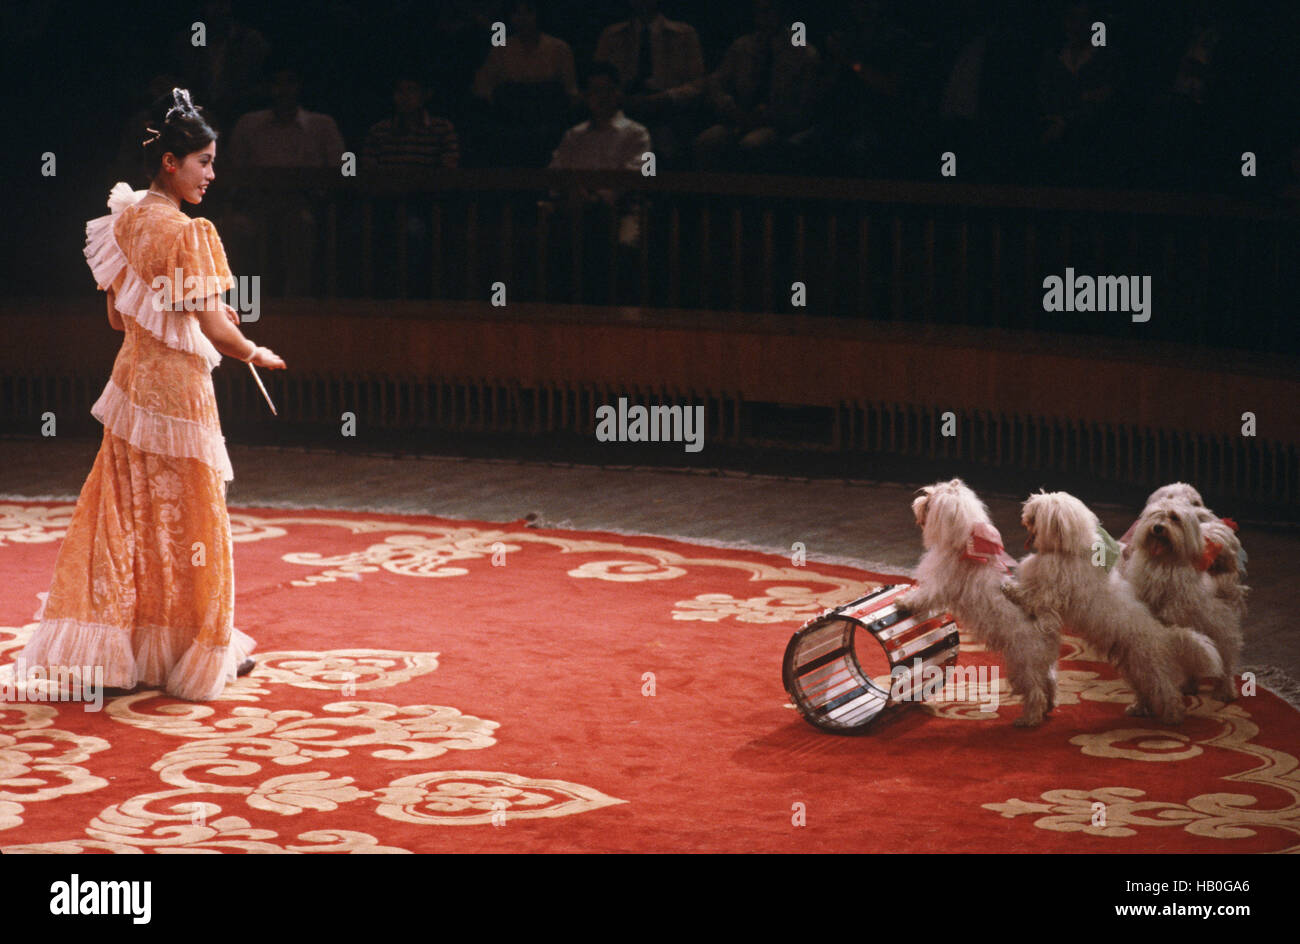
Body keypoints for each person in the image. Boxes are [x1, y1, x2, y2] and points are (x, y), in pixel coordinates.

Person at [19, 88, 286, 702]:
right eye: (204, 162)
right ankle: (192, 646)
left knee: (130, 511)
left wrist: (185, 315)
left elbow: (118, 318)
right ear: (171, 162)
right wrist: (253, 351)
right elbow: (216, 327)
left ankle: (132, 646)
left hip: (132, 382)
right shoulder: (188, 232)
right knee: (189, 514)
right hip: (177, 392)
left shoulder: (126, 219)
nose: (211, 175)